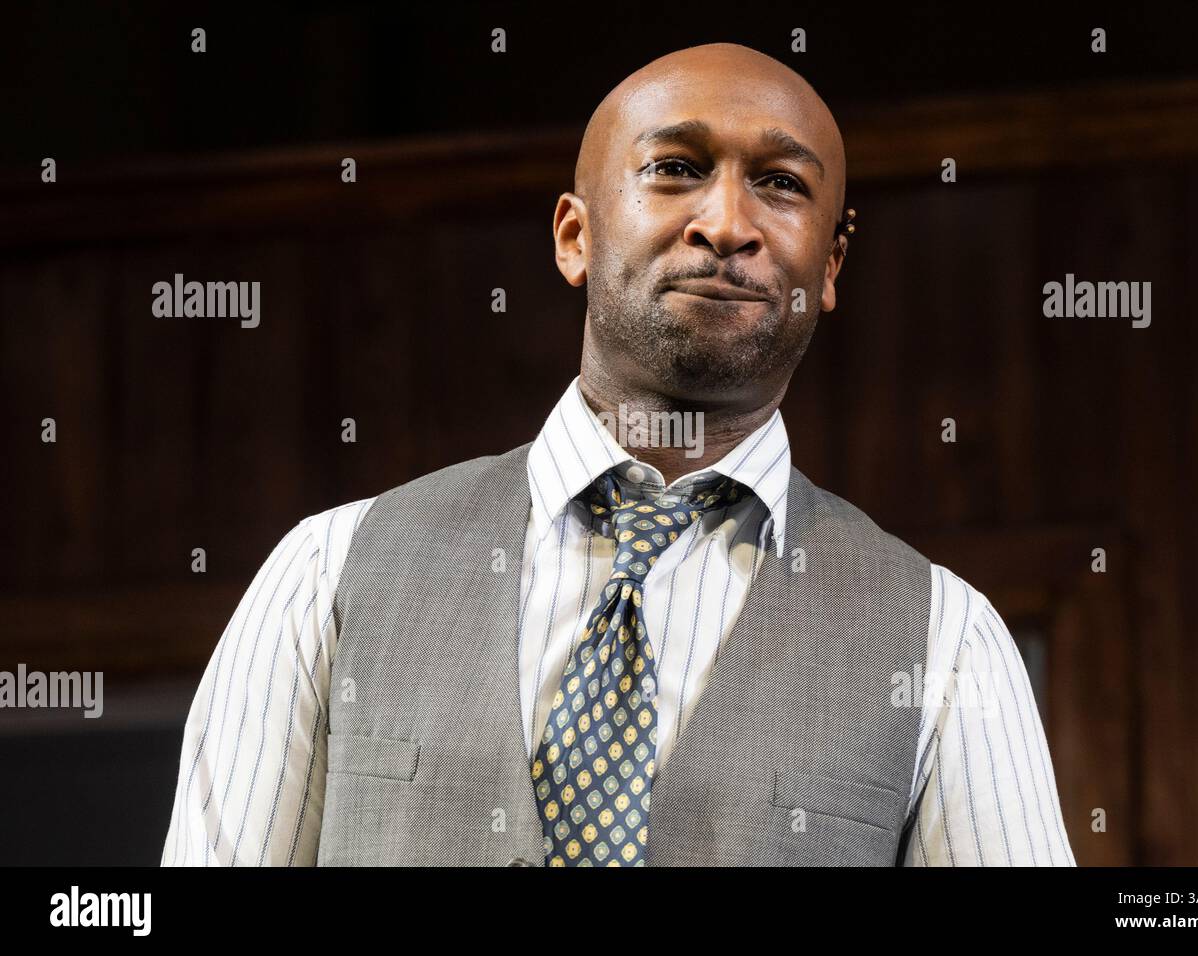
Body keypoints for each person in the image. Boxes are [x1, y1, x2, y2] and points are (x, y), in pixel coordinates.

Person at [162, 42, 1074, 867]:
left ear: (830, 267)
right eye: (675, 169)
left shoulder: (944, 640)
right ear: (575, 237)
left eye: (783, 185)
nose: (726, 224)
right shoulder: (327, 574)